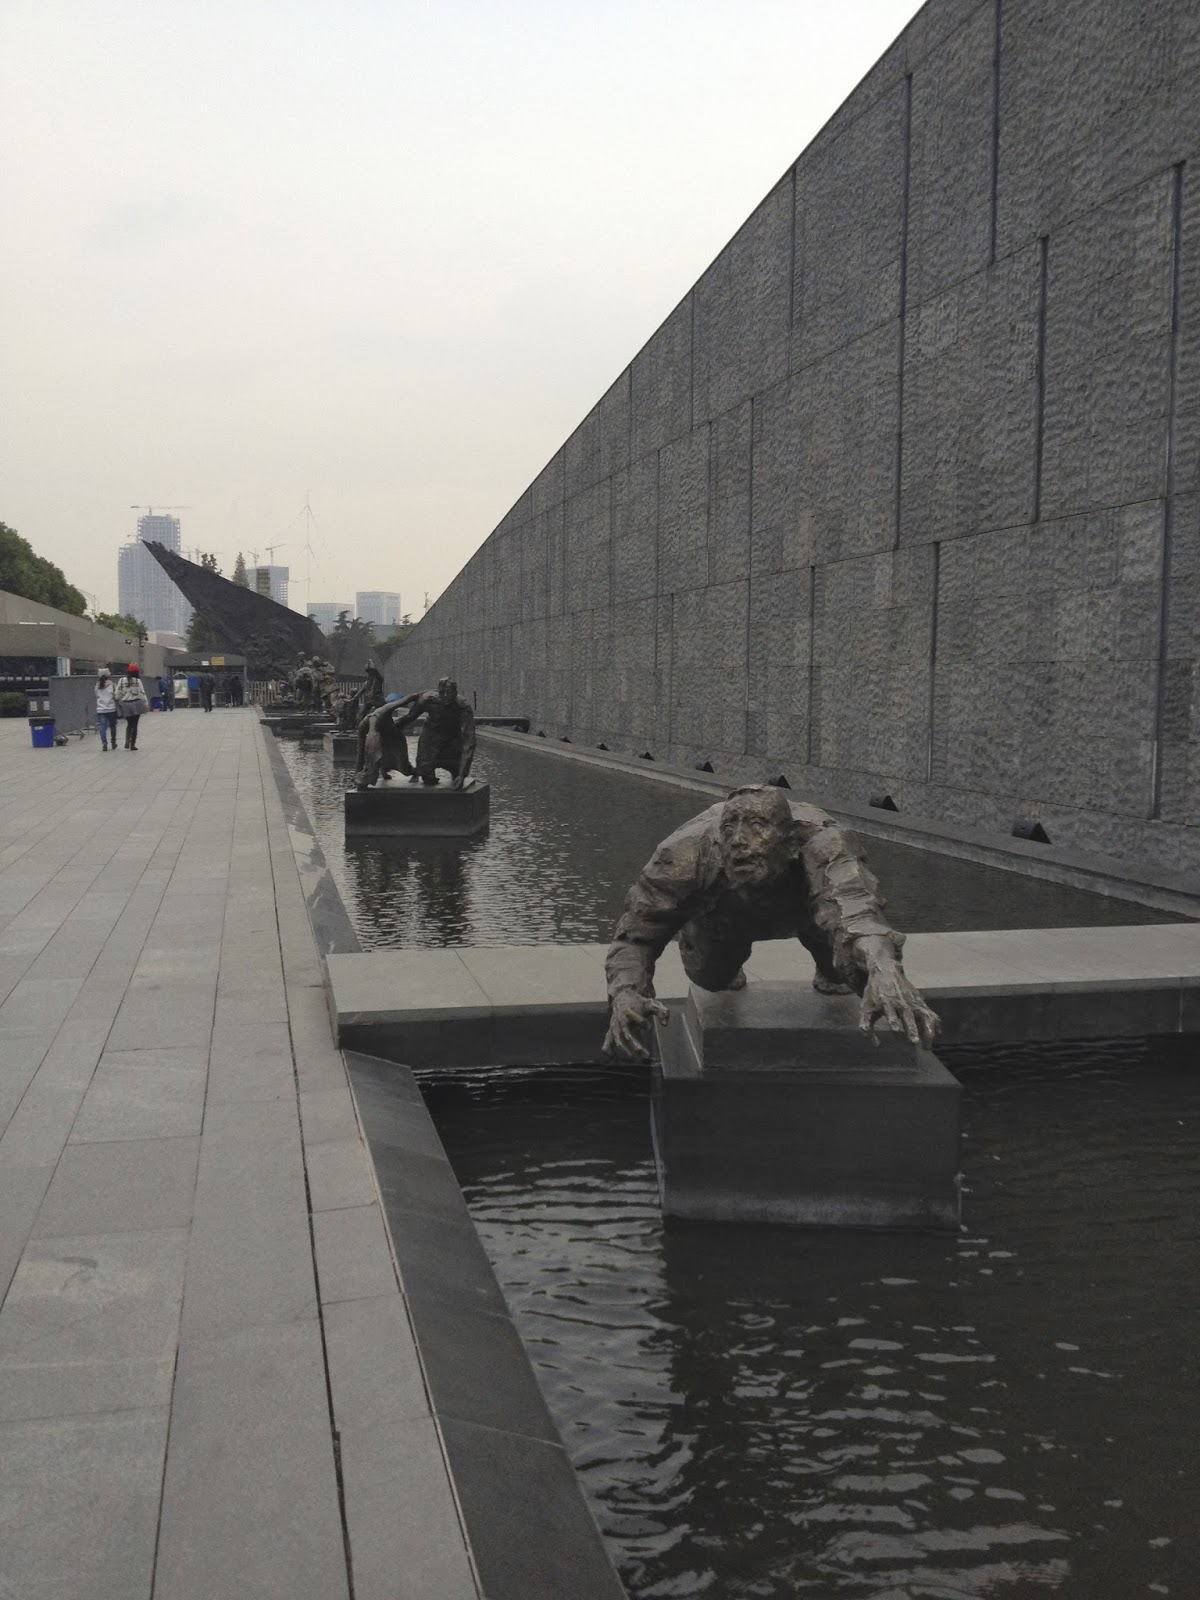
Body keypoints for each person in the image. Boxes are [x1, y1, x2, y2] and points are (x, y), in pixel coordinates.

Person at [603, 783, 940, 1061]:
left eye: (757, 826)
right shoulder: (685, 855)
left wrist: (884, 966)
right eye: (730, 827)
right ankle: (721, 954)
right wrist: (627, 991)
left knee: (848, 975)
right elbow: (635, 934)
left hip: (809, 911)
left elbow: (858, 913)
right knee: (711, 979)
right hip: (723, 915)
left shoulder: (824, 844)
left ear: (791, 842)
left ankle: (827, 964)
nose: (738, 840)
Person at [353, 676, 475, 790]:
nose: (447, 696)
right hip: (430, 740)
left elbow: (469, 740)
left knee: (456, 774)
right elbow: (409, 717)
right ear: (438, 691)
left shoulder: (462, 707)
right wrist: (391, 732)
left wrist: (462, 775)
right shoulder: (427, 699)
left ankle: (456, 772)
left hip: (452, 740)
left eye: (450, 692)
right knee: (426, 777)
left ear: (456, 692)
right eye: (443, 692)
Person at [114, 664, 150, 750]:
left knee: (129, 724)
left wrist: (116, 698)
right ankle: (132, 744)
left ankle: (127, 741)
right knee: (135, 725)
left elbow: (117, 693)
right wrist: (146, 703)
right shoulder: (138, 681)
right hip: (136, 704)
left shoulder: (122, 680)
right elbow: (142, 693)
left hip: (126, 705)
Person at [95, 671, 118, 751]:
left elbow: (96, 695)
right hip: (111, 708)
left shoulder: (97, 685)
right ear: (108, 676)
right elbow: (116, 695)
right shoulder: (112, 685)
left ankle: (104, 743)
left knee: (102, 726)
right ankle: (113, 742)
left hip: (100, 709)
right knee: (113, 726)